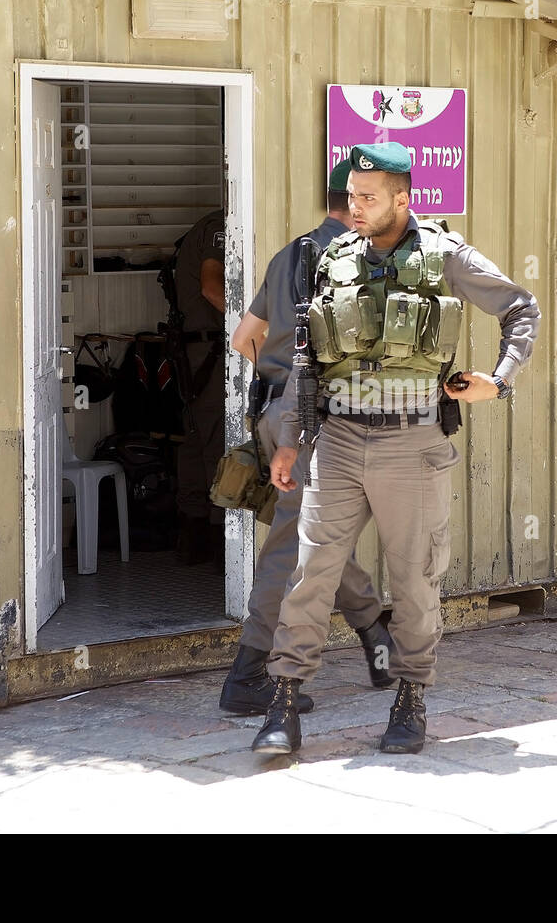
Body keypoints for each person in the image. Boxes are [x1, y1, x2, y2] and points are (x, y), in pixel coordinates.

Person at [251, 141, 540, 755]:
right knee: (310, 574)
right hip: (337, 438)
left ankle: (410, 698)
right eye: (351, 196)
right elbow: (308, 360)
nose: (354, 208)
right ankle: (282, 704)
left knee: (414, 579)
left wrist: (499, 378)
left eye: (367, 198)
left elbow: (521, 309)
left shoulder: (445, 256)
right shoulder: (330, 259)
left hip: (413, 441)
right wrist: (288, 439)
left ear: (403, 198)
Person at [218, 160, 394, 716]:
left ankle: (377, 639)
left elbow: (243, 337)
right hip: (318, 423)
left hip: (276, 416)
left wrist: (277, 383)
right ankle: (248, 677)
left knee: (320, 539)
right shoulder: (359, 261)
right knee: (291, 550)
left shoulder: (289, 254)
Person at [171, 209, 227, 567]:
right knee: (216, 438)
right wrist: (244, 323)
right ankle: (219, 534)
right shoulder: (219, 225)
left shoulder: (205, 224)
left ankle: (193, 533)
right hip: (209, 349)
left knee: (196, 436)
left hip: (196, 349)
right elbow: (211, 286)